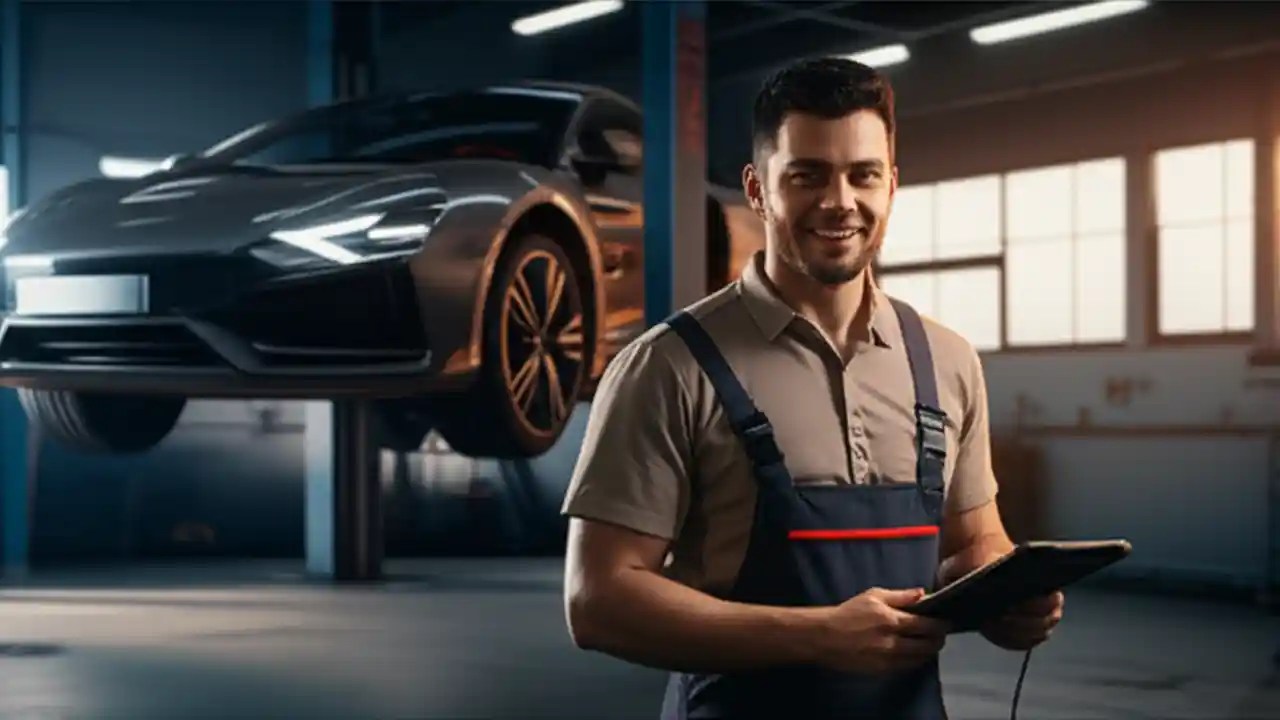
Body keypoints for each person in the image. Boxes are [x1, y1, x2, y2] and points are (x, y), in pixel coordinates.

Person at [560, 56, 1064, 719]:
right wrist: (818, 636)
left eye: (864, 175)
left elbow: (973, 543)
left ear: (892, 185)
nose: (840, 202)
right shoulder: (668, 367)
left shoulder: (948, 360)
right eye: (807, 176)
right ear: (757, 188)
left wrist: (1005, 595)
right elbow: (598, 601)